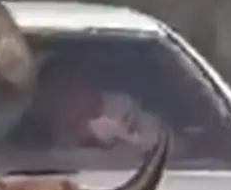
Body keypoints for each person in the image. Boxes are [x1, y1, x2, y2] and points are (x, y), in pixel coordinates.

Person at [15, 53, 164, 152]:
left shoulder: (130, 119)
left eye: (73, 89)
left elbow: (167, 148)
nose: (64, 100)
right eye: (56, 90)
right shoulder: (25, 146)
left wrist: (121, 136)